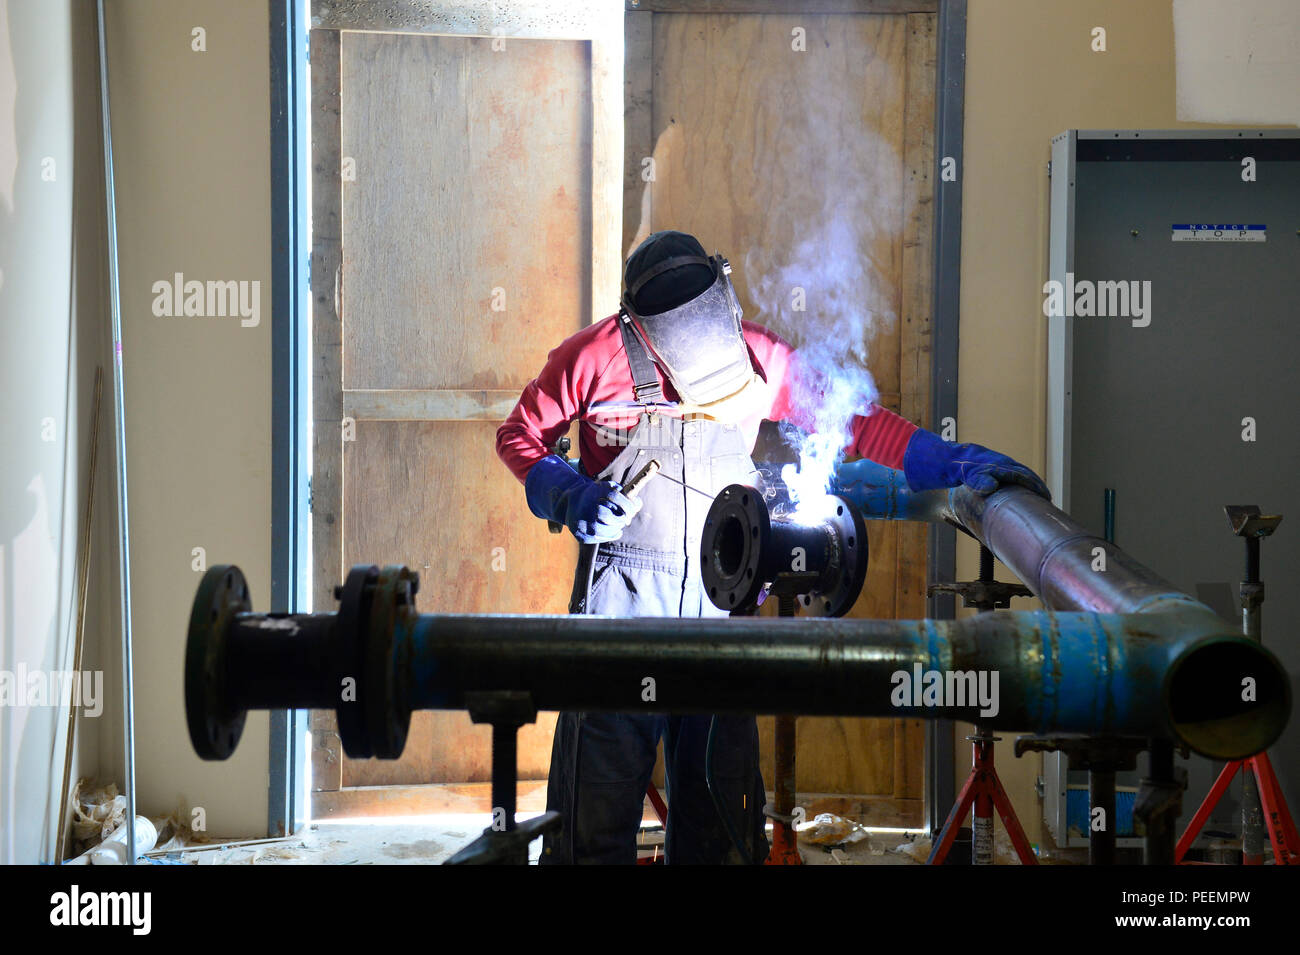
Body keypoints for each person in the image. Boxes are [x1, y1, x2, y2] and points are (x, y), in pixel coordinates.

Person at [496, 230, 1048, 865]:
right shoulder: (591, 357)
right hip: (621, 614)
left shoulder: (757, 355)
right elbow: (518, 433)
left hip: (721, 607)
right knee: (592, 815)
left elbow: (856, 419)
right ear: (636, 324)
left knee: (721, 819)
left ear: (722, 302)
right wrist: (565, 491)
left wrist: (943, 458)